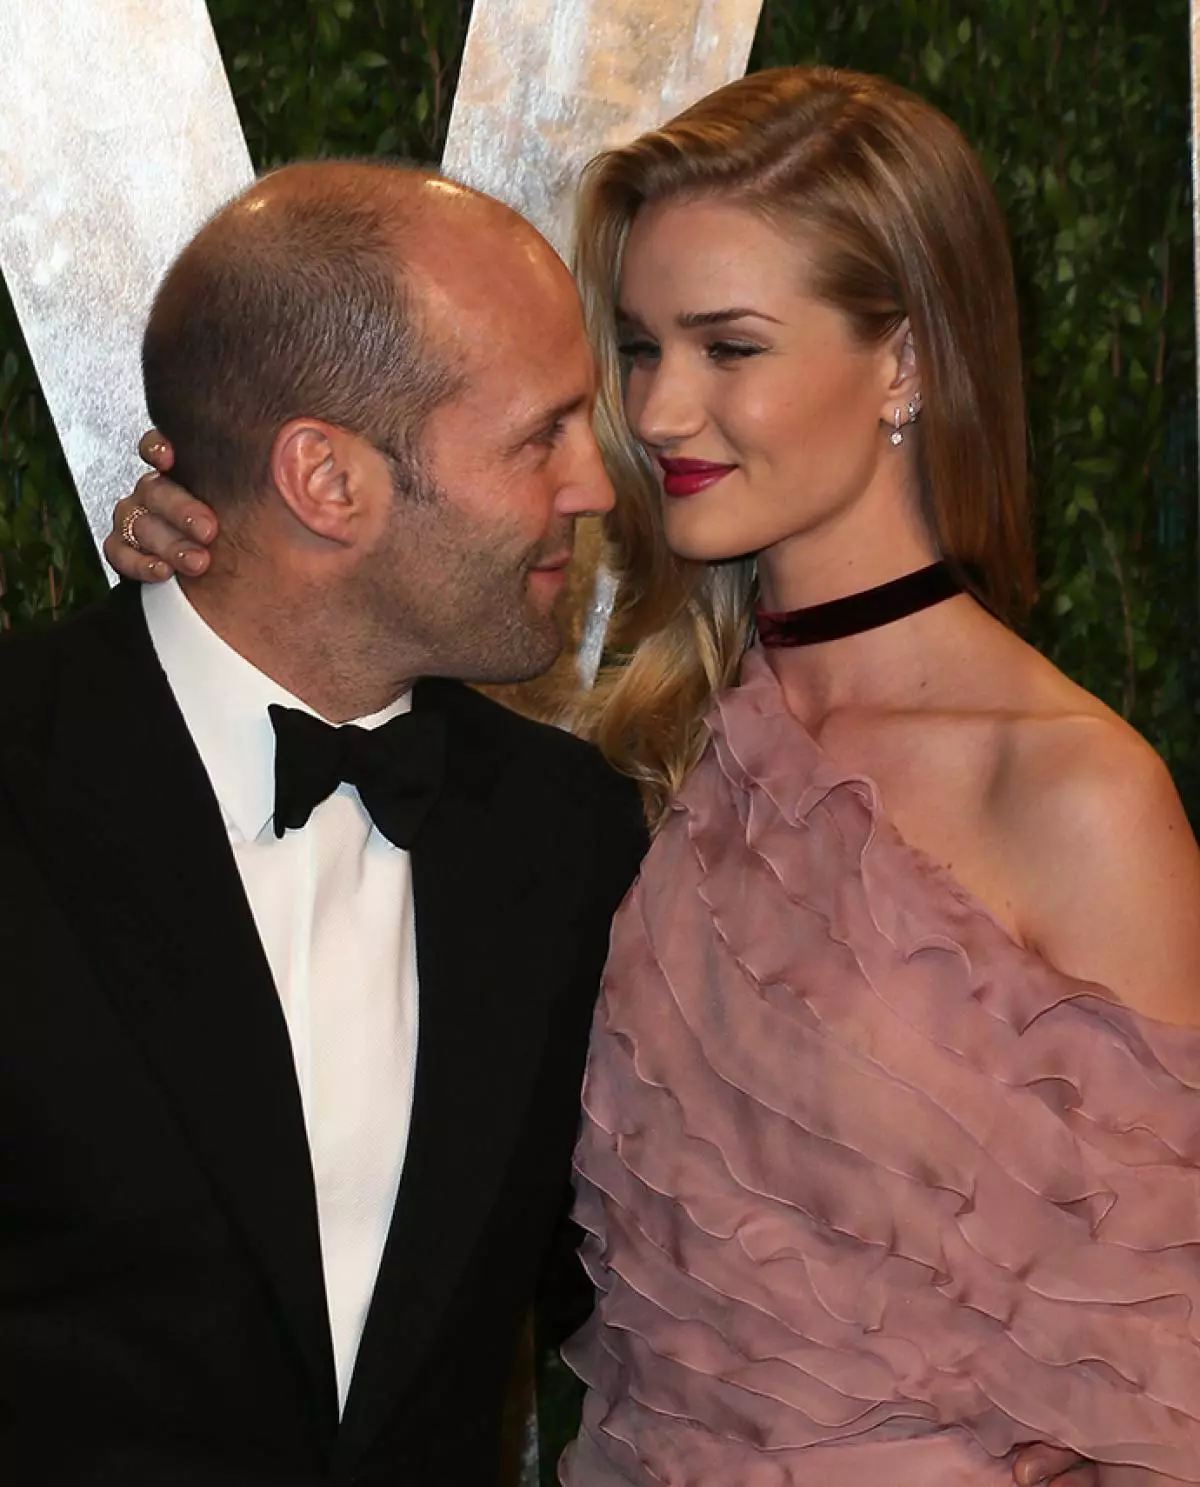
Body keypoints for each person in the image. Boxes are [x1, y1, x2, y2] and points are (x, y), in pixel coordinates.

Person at [104, 79, 1143, 1487]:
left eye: (730, 345)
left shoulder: (1072, 790)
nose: (659, 408)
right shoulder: (626, 768)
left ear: (904, 363)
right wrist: (223, 554)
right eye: (640, 349)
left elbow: (1157, 1372)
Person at [0, 159, 648, 1485]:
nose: (593, 484)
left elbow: (622, 1290)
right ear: (327, 480)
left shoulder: (568, 835)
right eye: (542, 436)